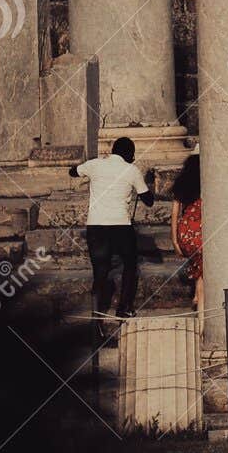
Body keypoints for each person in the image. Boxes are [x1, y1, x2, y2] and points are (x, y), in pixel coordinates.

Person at [70, 137, 155, 334]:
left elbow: (73, 171)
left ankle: (96, 318)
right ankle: (123, 309)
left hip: (96, 225)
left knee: (100, 270)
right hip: (120, 225)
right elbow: (148, 200)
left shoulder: (95, 164)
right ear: (130, 155)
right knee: (130, 265)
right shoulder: (131, 170)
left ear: (112, 151)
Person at [168, 154, 203, 313]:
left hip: (185, 232)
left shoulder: (181, 186)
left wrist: (175, 241)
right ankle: (199, 295)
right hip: (201, 231)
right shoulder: (207, 183)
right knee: (204, 263)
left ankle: (197, 294)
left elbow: (174, 214)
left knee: (199, 263)